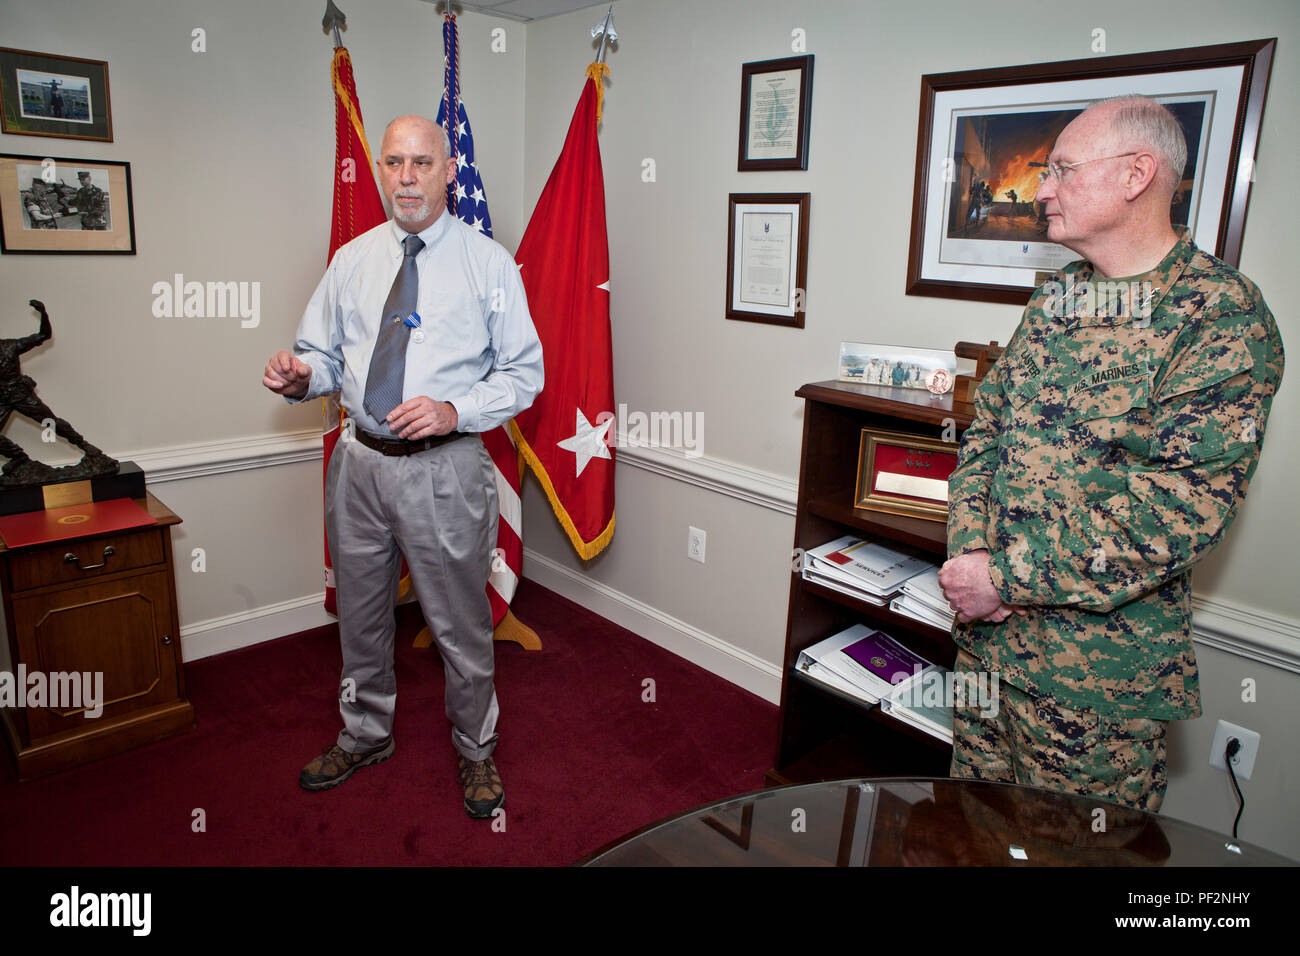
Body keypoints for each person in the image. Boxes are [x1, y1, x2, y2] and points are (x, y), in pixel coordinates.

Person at [938, 95, 1284, 813]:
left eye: (1061, 169)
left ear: (1136, 174)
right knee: (968, 833)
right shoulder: (1057, 299)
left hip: (1092, 686)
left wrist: (1004, 575)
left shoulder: (1218, 317)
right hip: (986, 646)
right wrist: (972, 557)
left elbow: (1177, 512)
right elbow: (986, 434)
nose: (1040, 189)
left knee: (1074, 856)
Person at [262, 115, 543, 819]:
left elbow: (524, 374)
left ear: (450, 170)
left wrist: (454, 410)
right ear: (381, 171)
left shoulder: (489, 264)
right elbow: (324, 358)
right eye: (395, 162)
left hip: (443, 470)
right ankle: (365, 734)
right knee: (360, 619)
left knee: (458, 624)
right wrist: (301, 377)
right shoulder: (352, 260)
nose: (408, 177)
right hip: (358, 466)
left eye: (422, 162)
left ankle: (476, 749)